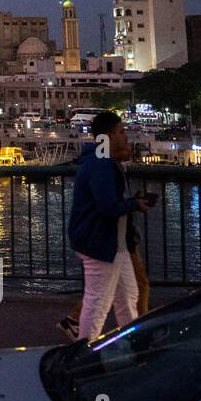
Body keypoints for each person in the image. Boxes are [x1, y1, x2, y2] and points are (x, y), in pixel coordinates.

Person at [67, 111, 156, 341]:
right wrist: (134, 204)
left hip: (114, 244)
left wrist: (131, 202)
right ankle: (84, 354)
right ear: (108, 136)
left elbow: (110, 202)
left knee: (128, 296)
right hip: (101, 244)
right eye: (121, 132)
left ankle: (134, 343)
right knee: (98, 303)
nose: (126, 137)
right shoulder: (102, 165)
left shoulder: (102, 161)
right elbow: (107, 207)